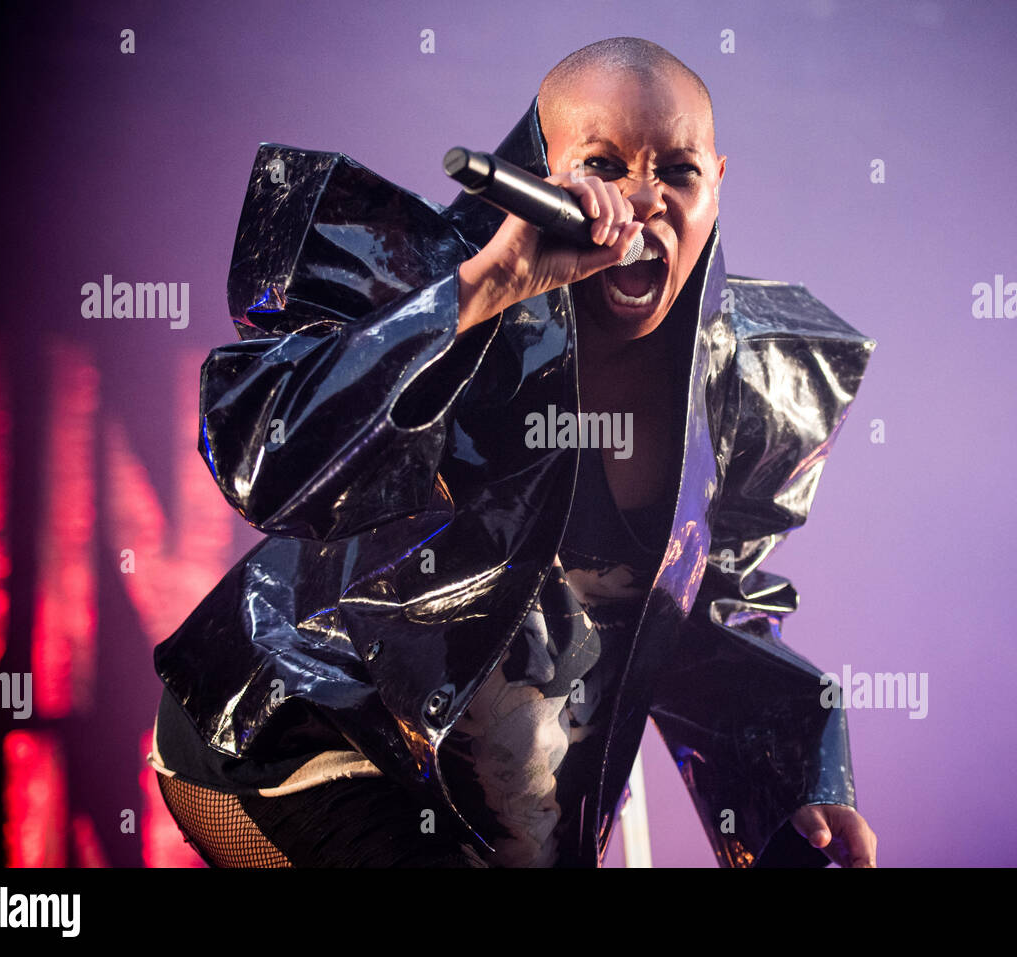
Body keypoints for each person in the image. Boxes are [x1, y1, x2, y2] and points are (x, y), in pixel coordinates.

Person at [148, 36, 878, 868]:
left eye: (676, 172)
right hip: (298, 725)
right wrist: (486, 288)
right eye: (603, 164)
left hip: (483, 792)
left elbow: (709, 622)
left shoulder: (741, 384)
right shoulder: (442, 285)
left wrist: (799, 785)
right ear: (544, 166)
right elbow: (265, 457)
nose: (642, 203)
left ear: (718, 182)